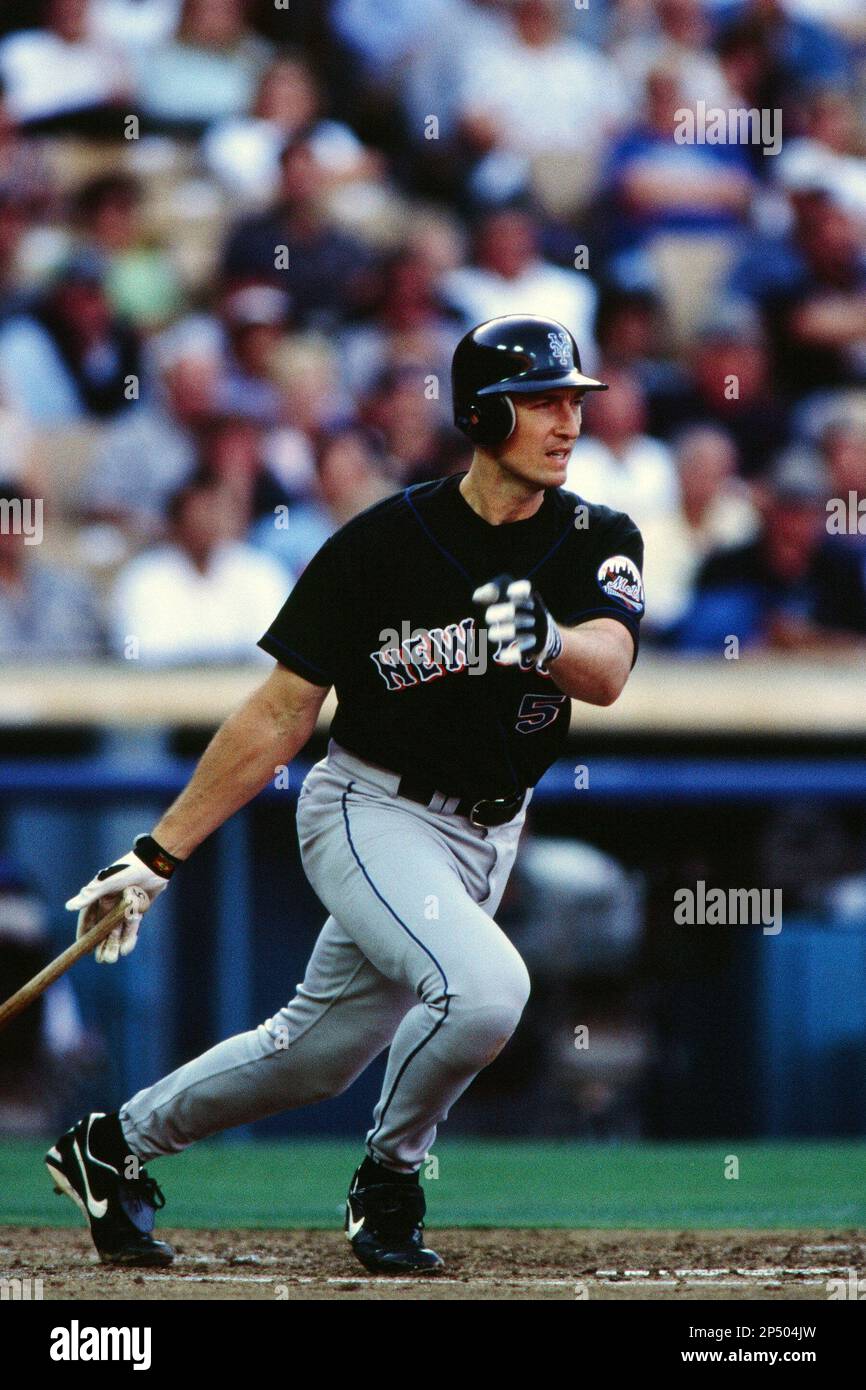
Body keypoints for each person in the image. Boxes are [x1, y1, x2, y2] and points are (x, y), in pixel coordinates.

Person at [48, 314, 645, 1275]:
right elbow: (280, 712)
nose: (567, 422)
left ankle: (111, 1148)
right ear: (482, 417)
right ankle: (391, 1177)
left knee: (313, 1055)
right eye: (539, 402)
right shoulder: (383, 543)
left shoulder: (596, 536)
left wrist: (547, 639)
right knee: (487, 994)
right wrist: (158, 854)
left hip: (490, 834)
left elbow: (607, 671)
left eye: (573, 402)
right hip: (371, 810)